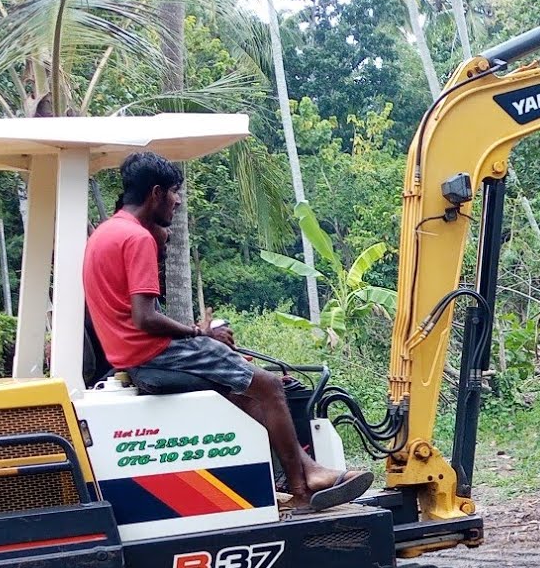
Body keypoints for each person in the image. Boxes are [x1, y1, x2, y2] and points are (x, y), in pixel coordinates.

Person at [83, 152, 373, 511]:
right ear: (155, 193)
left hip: (131, 355)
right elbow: (145, 318)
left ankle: (305, 470)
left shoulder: (104, 234)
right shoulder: (136, 238)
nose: (177, 201)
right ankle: (302, 489)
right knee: (269, 385)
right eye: (174, 192)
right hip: (152, 351)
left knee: (246, 395)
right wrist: (198, 333)